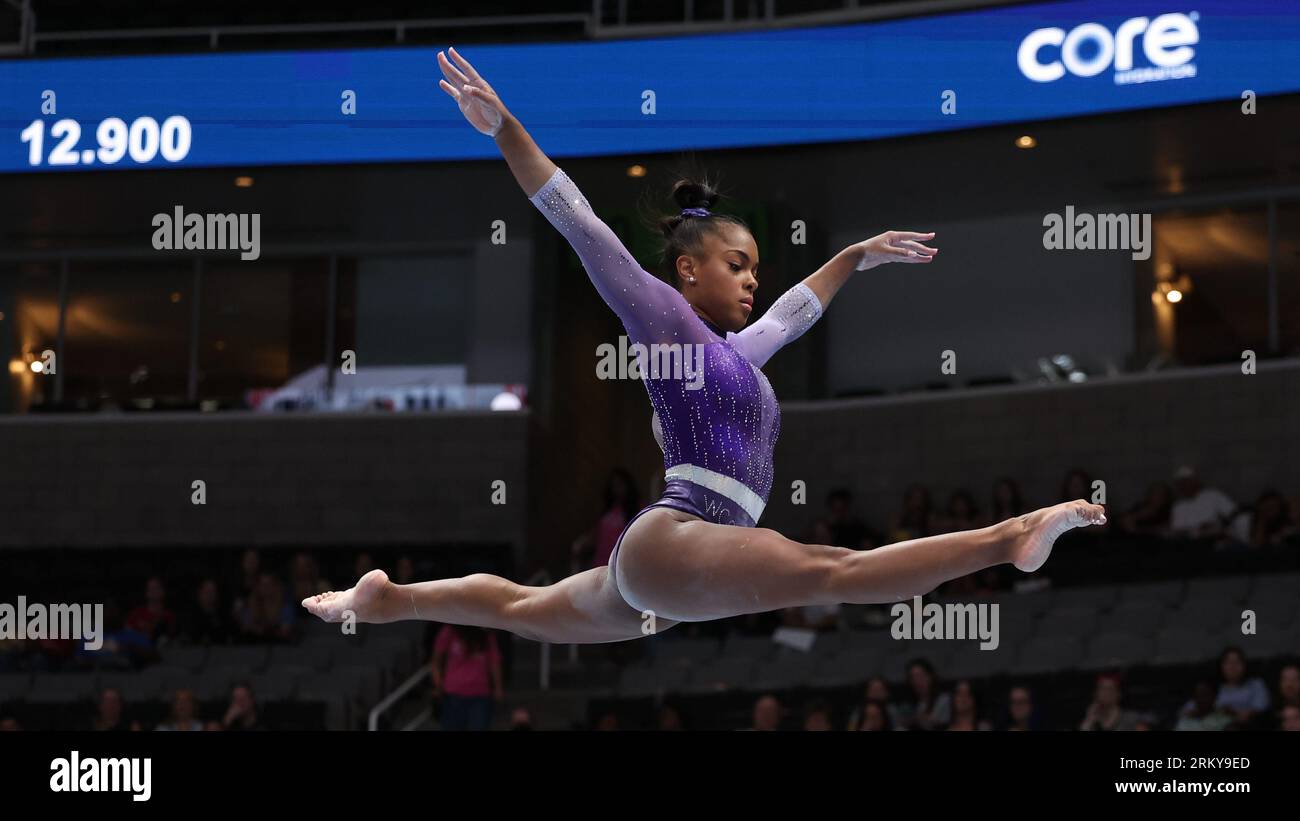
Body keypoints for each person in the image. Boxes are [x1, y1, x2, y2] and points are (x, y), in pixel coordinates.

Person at [302, 46, 1106, 644]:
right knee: (834, 570)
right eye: (738, 264)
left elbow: (794, 314)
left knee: (519, 607)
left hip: (668, 573)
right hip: (675, 541)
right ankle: (1013, 535)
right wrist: (507, 128)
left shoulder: (730, 357)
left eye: (756, 267)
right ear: (687, 270)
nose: (753, 281)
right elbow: (578, 222)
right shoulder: (661, 318)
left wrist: (854, 258)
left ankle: (389, 599)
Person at [431, 624, 503, 731]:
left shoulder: (486, 633)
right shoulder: (449, 631)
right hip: (453, 693)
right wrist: (438, 685)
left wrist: (498, 687)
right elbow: (436, 661)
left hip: (480, 694)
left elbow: (494, 662)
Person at [571, 468, 641, 569]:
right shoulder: (608, 508)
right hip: (600, 563)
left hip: (620, 565)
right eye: (614, 486)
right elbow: (597, 532)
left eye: (620, 485)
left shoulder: (637, 508)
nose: (617, 489)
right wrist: (582, 542)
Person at [1168, 467, 1236, 539]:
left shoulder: (1213, 495)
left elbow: (1234, 513)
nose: (1185, 485)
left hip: (1214, 540)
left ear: (1196, 481)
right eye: (1181, 483)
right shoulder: (1178, 506)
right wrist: (1198, 530)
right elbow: (1178, 531)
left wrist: (1218, 526)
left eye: (1188, 481)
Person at [1215, 647, 1269, 729]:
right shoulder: (1216, 689)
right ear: (1222, 666)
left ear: (1244, 665)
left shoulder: (1256, 685)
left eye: (1237, 662)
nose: (1232, 667)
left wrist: (1233, 712)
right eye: (1228, 662)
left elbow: (1260, 708)